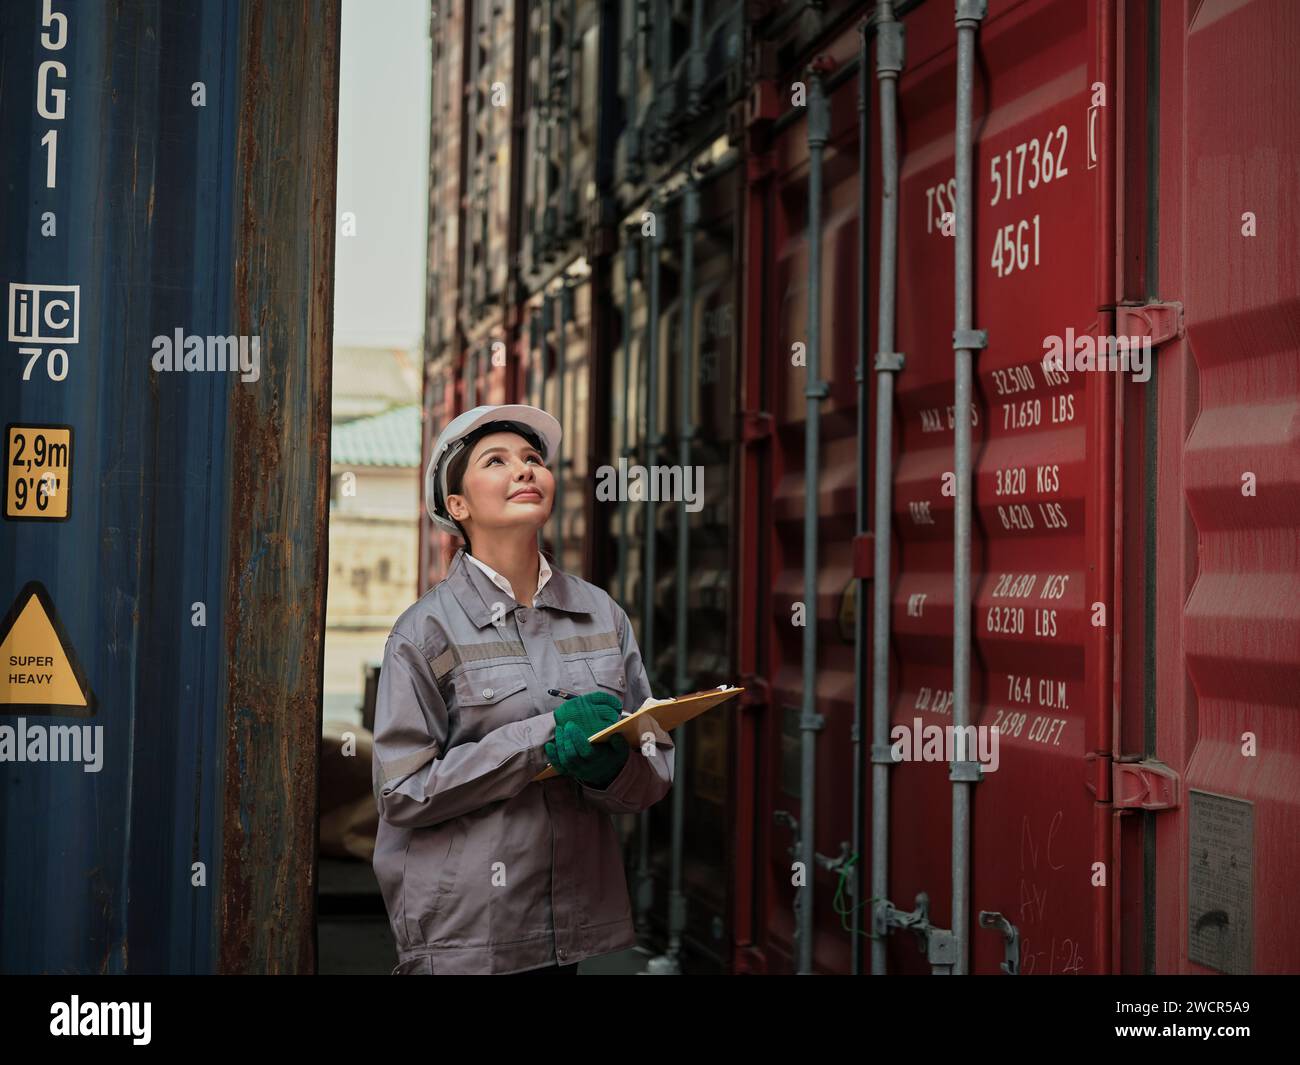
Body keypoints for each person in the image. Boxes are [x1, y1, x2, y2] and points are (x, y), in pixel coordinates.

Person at [370, 403, 675, 975]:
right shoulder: (425, 632)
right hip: (469, 932)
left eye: (533, 459)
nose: (525, 470)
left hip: (564, 926)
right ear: (457, 506)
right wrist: (544, 737)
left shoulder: (599, 613)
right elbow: (401, 792)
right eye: (497, 460)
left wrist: (609, 769)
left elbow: (655, 763)